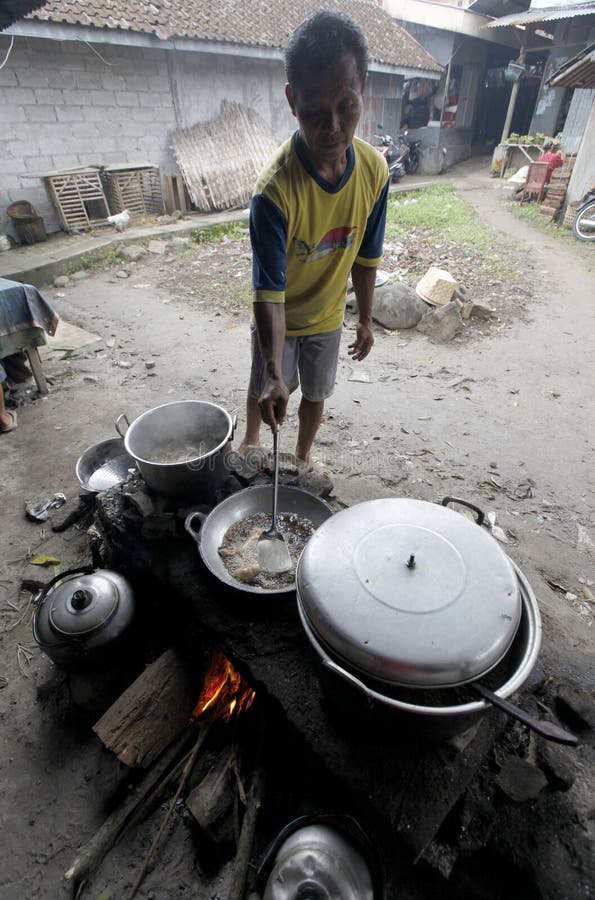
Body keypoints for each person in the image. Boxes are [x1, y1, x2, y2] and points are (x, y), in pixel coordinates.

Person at [238, 10, 389, 464]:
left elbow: (366, 256)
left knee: (317, 393)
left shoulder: (375, 173)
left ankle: (302, 459)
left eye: (347, 107)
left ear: (363, 85)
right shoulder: (274, 191)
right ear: (291, 101)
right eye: (314, 112)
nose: (334, 129)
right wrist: (272, 366)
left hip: (326, 318)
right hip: (279, 318)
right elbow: (269, 294)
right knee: (263, 386)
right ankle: (250, 441)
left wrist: (363, 318)